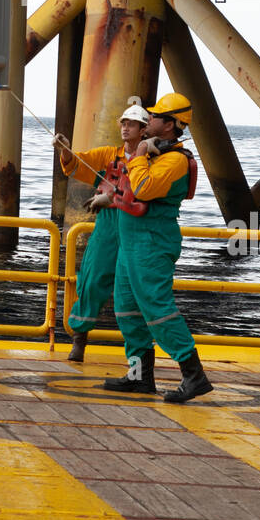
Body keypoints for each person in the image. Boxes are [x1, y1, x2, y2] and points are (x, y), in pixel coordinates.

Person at [103, 91, 213, 403]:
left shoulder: (176, 160)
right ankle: (139, 376)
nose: (146, 119)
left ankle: (194, 375)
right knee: (127, 308)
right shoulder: (153, 154)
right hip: (130, 241)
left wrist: (138, 153)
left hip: (152, 242)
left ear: (169, 125)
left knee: (156, 308)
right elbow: (127, 187)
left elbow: (143, 188)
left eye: (153, 116)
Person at [54, 100, 149, 363]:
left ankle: (140, 355)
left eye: (132, 124)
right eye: (124, 123)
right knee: (92, 279)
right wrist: (65, 151)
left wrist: (112, 197)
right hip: (108, 227)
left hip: (137, 228)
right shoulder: (109, 155)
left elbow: (147, 193)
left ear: (144, 129)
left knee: (134, 289)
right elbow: (77, 164)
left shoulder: (152, 160)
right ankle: (79, 341)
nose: (125, 128)